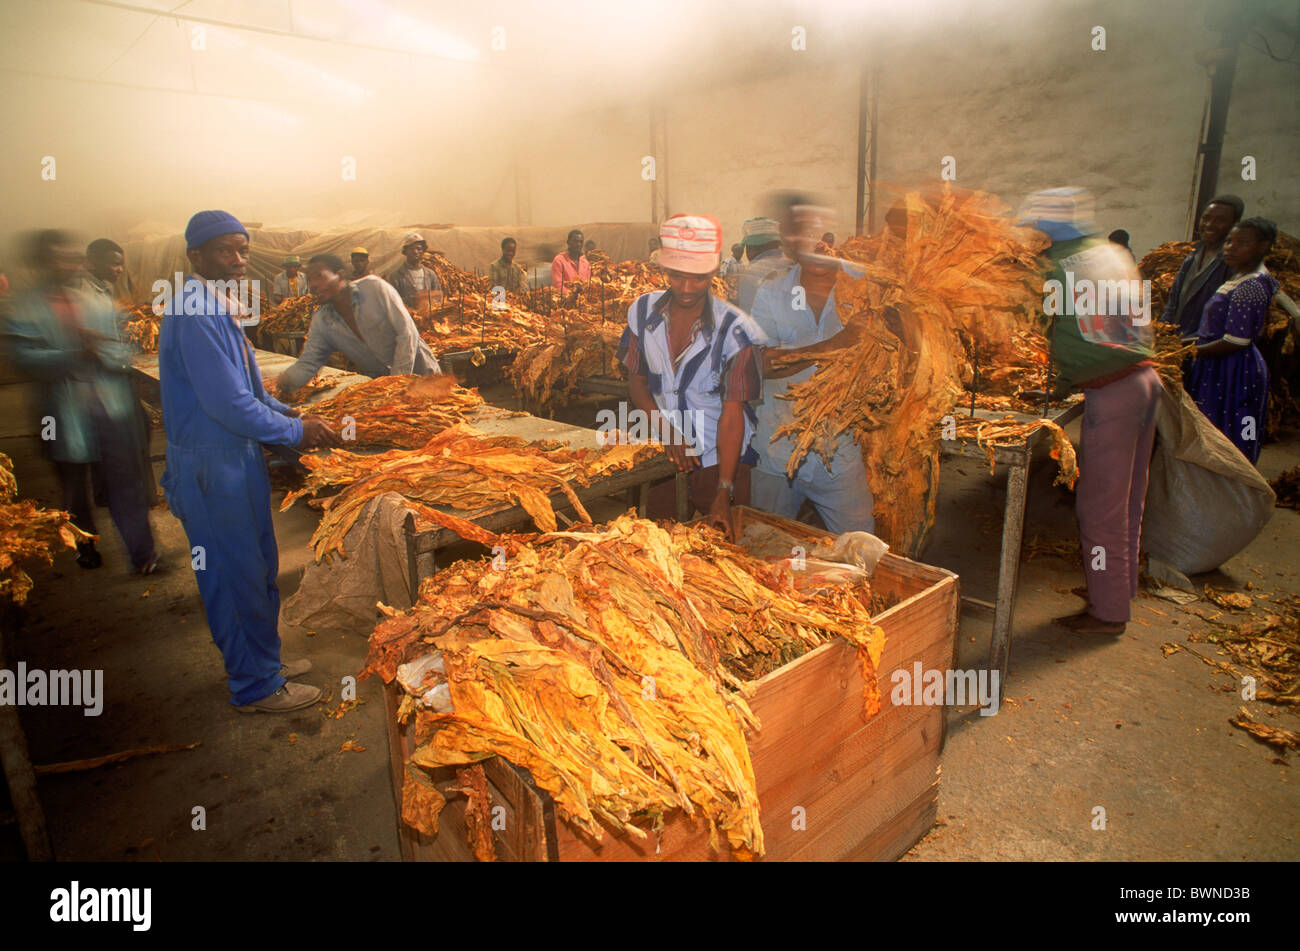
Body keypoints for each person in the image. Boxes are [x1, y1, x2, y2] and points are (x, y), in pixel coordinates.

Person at [159, 210, 340, 713]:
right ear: (196, 256)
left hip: (236, 457)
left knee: (258, 567)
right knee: (233, 576)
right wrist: (296, 432)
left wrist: (289, 412)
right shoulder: (195, 313)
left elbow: (249, 388)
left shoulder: (217, 306)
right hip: (212, 465)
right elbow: (227, 404)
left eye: (242, 249)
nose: (239, 260)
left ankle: (266, 661)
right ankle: (254, 686)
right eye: (225, 251)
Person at [1022, 188, 1161, 637]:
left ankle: (1107, 614)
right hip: (1146, 381)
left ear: (1044, 228)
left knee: (1099, 507)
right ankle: (1119, 588)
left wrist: (1052, 385)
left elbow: (1053, 331)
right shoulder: (1111, 252)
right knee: (1129, 499)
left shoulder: (1054, 266)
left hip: (1112, 392)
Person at [6, 230, 159, 574]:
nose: (69, 263)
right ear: (41, 263)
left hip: (110, 409)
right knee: (75, 490)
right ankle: (85, 546)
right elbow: (23, 358)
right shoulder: (24, 308)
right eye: (58, 257)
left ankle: (143, 554)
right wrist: (74, 353)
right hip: (60, 416)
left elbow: (126, 350)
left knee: (125, 483)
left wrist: (106, 351)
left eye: (72, 256)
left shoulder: (98, 301)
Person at [618, 214, 766, 541]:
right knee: (660, 545)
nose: (686, 289)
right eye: (676, 276)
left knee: (724, 554)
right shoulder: (642, 313)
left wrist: (723, 492)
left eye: (698, 279)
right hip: (663, 455)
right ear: (663, 271)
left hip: (721, 457)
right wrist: (668, 431)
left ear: (713, 272)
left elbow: (732, 415)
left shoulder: (737, 333)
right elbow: (637, 383)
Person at [750, 233, 874, 534]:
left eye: (822, 234)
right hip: (777, 448)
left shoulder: (864, 285)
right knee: (764, 549)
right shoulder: (771, 292)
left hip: (841, 450)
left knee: (861, 547)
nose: (815, 242)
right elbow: (758, 364)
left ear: (832, 238)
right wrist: (835, 345)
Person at [273, 255, 441, 397]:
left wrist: (396, 382)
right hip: (385, 391)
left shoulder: (375, 288)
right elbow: (308, 363)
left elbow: (407, 333)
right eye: (310, 280)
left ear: (339, 275)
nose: (313, 285)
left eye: (319, 276)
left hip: (422, 376)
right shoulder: (322, 321)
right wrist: (281, 383)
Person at [1186, 217, 1279, 465]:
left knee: (1229, 435)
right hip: (1217, 362)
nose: (1230, 248)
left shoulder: (1252, 286)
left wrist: (1193, 350)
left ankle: (1232, 496)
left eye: (1242, 243)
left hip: (1231, 370)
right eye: (1229, 241)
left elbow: (1236, 340)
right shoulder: (1243, 277)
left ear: (1263, 246)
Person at [1160, 194, 1244, 339]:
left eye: (1220, 220)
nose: (1209, 225)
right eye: (1206, 218)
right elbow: (1173, 302)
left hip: (1203, 347)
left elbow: (1227, 319)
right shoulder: (1192, 257)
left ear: (1235, 225)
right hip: (1179, 342)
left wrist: (1196, 342)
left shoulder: (1233, 265)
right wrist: (1162, 330)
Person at [735, 216, 790, 313]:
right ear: (778, 244)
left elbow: (748, 319)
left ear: (752, 248)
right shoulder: (795, 267)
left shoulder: (750, 275)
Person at [386, 232, 443, 314]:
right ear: (405, 252)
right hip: (406, 320)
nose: (416, 252)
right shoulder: (395, 276)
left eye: (419, 249)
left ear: (423, 251)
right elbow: (391, 302)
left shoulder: (430, 275)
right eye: (411, 249)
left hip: (429, 320)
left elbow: (438, 297)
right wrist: (412, 299)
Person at [80, 238, 124, 309]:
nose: (120, 270)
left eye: (121, 265)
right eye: (115, 264)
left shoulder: (102, 289)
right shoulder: (83, 291)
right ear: (94, 261)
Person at [552, 229, 591, 293]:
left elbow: (588, 284)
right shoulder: (559, 261)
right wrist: (572, 296)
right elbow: (558, 285)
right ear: (568, 242)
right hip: (565, 300)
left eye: (581, 242)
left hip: (583, 300)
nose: (578, 244)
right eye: (575, 241)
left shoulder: (585, 263)